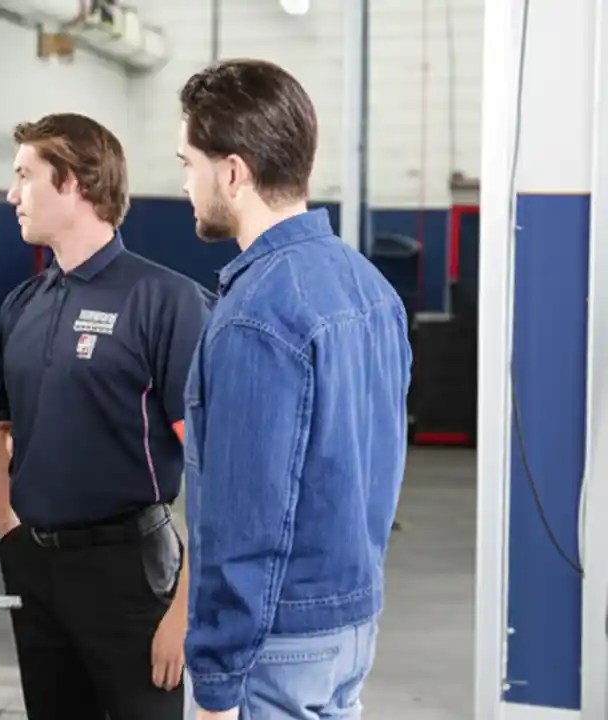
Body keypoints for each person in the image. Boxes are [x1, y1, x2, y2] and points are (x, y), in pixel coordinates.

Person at [174, 59, 412, 719]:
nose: (187, 183)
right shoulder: (372, 289)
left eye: (188, 163)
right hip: (351, 623)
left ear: (231, 171)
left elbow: (248, 518)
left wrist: (218, 682)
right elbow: (382, 467)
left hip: (274, 646)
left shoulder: (257, 315)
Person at [0, 112, 213, 720]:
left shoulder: (168, 303)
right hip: (37, 571)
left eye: (25, 177)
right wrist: (11, 537)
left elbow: (218, 471)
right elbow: (4, 434)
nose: (11, 195)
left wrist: (185, 610)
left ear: (75, 183)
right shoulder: (20, 305)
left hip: (131, 578)